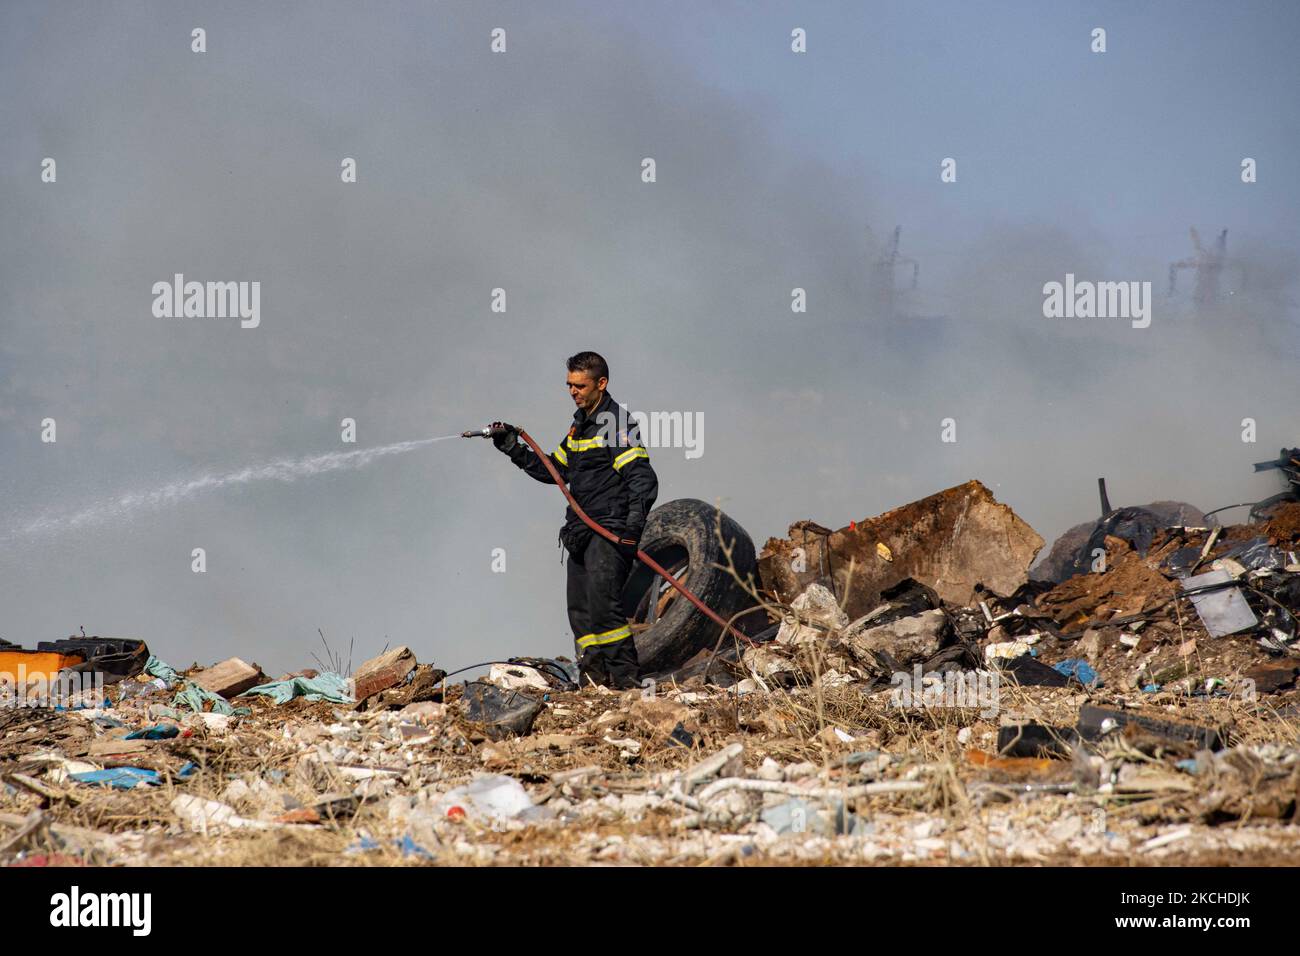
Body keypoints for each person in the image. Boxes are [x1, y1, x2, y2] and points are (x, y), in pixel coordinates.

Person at [491, 351, 658, 689]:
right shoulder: (580, 425)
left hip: (608, 530)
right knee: (580, 613)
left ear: (601, 383)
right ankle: (594, 683)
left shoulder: (616, 424)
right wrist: (512, 449)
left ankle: (627, 683)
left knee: (604, 608)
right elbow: (557, 470)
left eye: (580, 385)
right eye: (569, 385)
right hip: (581, 532)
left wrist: (632, 529)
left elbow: (643, 479)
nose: (573, 391)